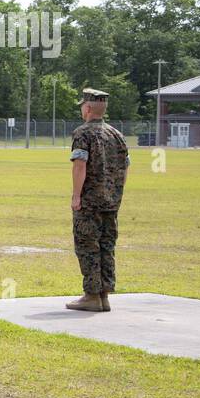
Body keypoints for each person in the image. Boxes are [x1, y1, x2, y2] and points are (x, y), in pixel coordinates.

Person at [67, 89, 129, 312]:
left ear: (88, 108)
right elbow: (125, 167)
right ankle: (104, 295)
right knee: (106, 246)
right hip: (111, 202)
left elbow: (79, 165)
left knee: (87, 246)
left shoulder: (82, 133)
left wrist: (76, 195)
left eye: (82, 105)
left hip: (89, 202)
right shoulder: (116, 135)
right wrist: (116, 194)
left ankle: (91, 295)